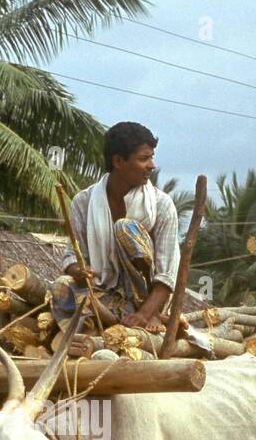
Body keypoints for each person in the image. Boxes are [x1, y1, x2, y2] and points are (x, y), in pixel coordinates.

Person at [51, 122, 180, 339]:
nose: (152, 165)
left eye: (152, 157)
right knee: (61, 286)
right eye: (143, 159)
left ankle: (149, 314)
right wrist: (79, 271)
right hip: (105, 294)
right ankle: (111, 319)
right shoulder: (84, 202)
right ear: (118, 161)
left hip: (149, 301)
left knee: (124, 228)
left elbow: (167, 274)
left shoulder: (162, 204)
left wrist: (144, 314)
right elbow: (72, 256)